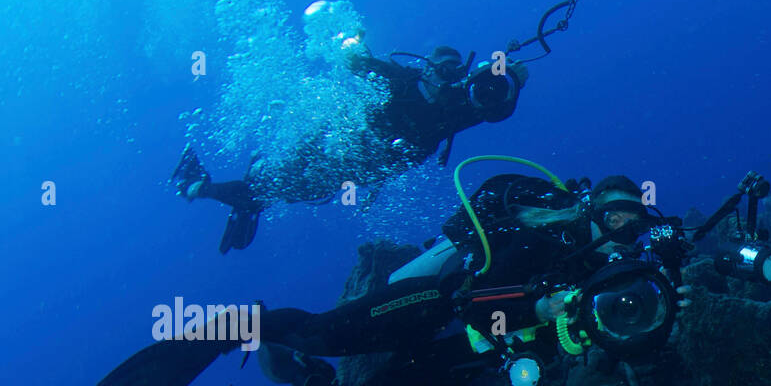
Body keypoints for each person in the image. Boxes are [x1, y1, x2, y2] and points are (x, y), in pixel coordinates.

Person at [96, 172, 692, 386]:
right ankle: (234, 327)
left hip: (472, 353)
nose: (622, 231)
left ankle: (297, 373)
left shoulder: (621, 282)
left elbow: (627, 343)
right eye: (613, 216)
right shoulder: (544, 239)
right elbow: (477, 299)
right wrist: (539, 301)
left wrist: (666, 308)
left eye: (634, 222)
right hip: (434, 304)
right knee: (320, 331)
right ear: (592, 212)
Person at [171, 46, 529, 254]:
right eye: (441, 67)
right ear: (429, 67)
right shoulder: (404, 79)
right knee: (277, 184)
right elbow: (358, 63)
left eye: (454, 69)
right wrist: (355, 53)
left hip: (357, 168)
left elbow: (498, 109)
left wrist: (509, 75)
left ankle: (248, 189)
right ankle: (202, 187)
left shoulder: (463, 105)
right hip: (340, 144)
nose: (445, 76)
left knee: (290, 190)